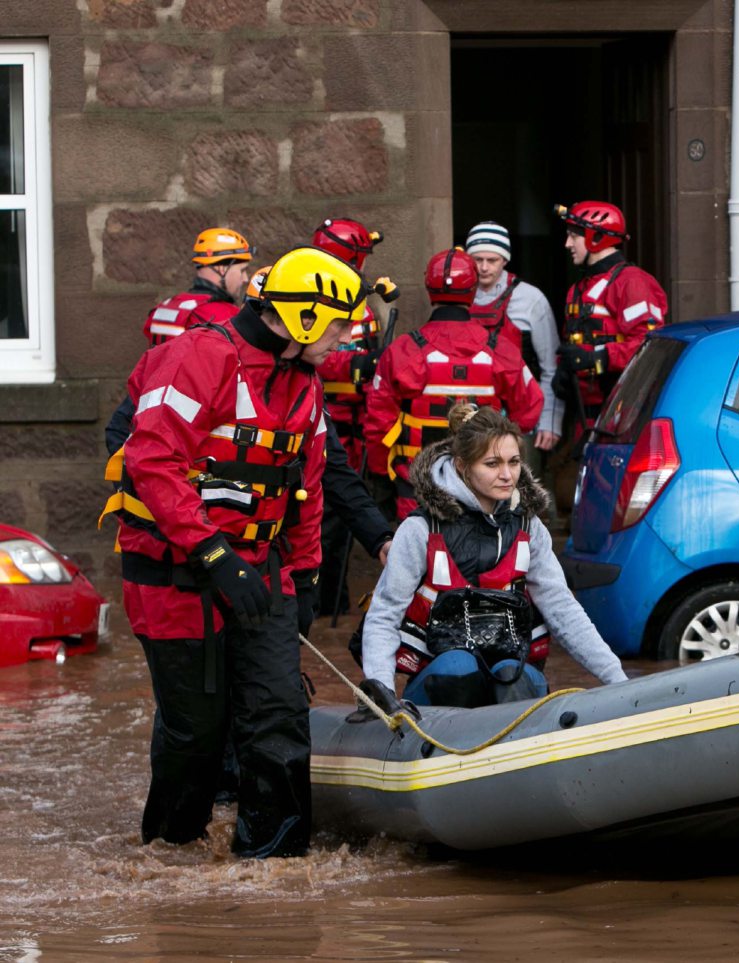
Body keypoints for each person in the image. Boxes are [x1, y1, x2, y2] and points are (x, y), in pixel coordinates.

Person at [103, 246, 366, 858]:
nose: (346, 340)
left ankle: (275, 866)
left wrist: (301, 578)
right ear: (301, 319)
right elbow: (153, 462)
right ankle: (172, 855)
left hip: (262, 570)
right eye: (337, 326)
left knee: (279, 719)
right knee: (196, 730)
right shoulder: (199, 357)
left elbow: (307, 485)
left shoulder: (305, 385)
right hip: (176, 572)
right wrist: (217, 557)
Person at [359, 403, 626, 711]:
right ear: (462, 465)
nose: (506, 475)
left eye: (513, 462)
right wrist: (382, 694)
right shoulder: (419, 529)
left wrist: (617, 679)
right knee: (459, 668)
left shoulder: (530, 528)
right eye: (492, 464)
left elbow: (563, 610)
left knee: (514, 676)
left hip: (510, 676)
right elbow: (384, 615)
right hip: (440, 681)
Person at [365, 248, 543, 520]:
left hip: (416, 488)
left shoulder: (403, 350)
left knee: (419, 558)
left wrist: (381, 475)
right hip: (484, 488)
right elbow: (530, 407)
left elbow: (378, 423)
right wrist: (502, 455)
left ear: (428, 288)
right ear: (472, 289)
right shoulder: (501, 350)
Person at [306, 217, 400, 615]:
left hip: (354, 428)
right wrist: (364, 364)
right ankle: (324, 602)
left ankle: (335, 601)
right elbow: (315, 358)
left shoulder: (364, 304)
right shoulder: (315, 300)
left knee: (341, 521)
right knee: (323, 521)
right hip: (326, 420)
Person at [554, 201, 667, 429]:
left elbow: (649, 348)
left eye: (573, 237)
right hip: (584, 419)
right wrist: (565, 369)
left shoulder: (631, 283)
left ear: (596, 238)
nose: (567, 244)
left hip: (621, 418)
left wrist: (597, 358)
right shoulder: (578, 290)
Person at [465, 221, 564, 450]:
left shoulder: (531, 299)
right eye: (477, 260)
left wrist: (551, 421)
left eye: (492, 260)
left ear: (505, 260)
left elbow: (550, 367)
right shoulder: (459, 297)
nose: (484, 268)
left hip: (522, 415)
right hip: (470, 415)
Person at [140, 227, 253, 345]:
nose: (245, 278)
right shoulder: (228, 317)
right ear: (222, 269)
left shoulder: (164, 308)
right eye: (242, 270)